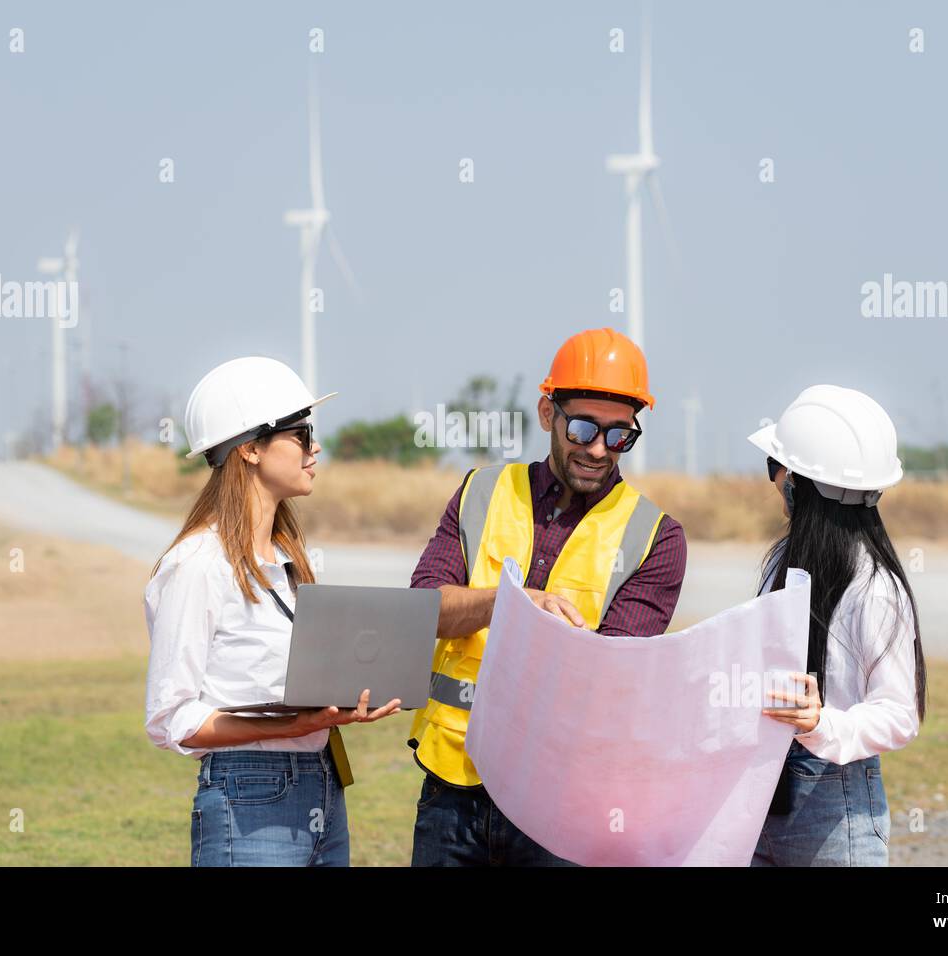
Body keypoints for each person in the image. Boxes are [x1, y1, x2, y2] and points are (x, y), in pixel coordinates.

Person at [407, 327, 688, 866]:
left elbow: (614, 680)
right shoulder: (480, 493)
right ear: (546, 413)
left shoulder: (655, 536)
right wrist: (510, 604)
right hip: (451, 789)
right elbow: (423, 613)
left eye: (620, 436)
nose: (599, 449)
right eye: (583, 429)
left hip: (561, 805)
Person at [144, 356, 401, 867]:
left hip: (323, 783)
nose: (316, 447)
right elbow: (172, 719)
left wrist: (339, 704)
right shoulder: (196, 565)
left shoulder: (288, 561)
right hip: (249, 793)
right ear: (250, 449)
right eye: (302, 433)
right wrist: (289, 726)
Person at [746, 384, 927, 867]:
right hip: (761, 786)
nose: (774, 481)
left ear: (798, 484)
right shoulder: (783, 561)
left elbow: (898, 713)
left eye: (776, 467)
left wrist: (820, 723)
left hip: (833, 805)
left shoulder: (874, 587)